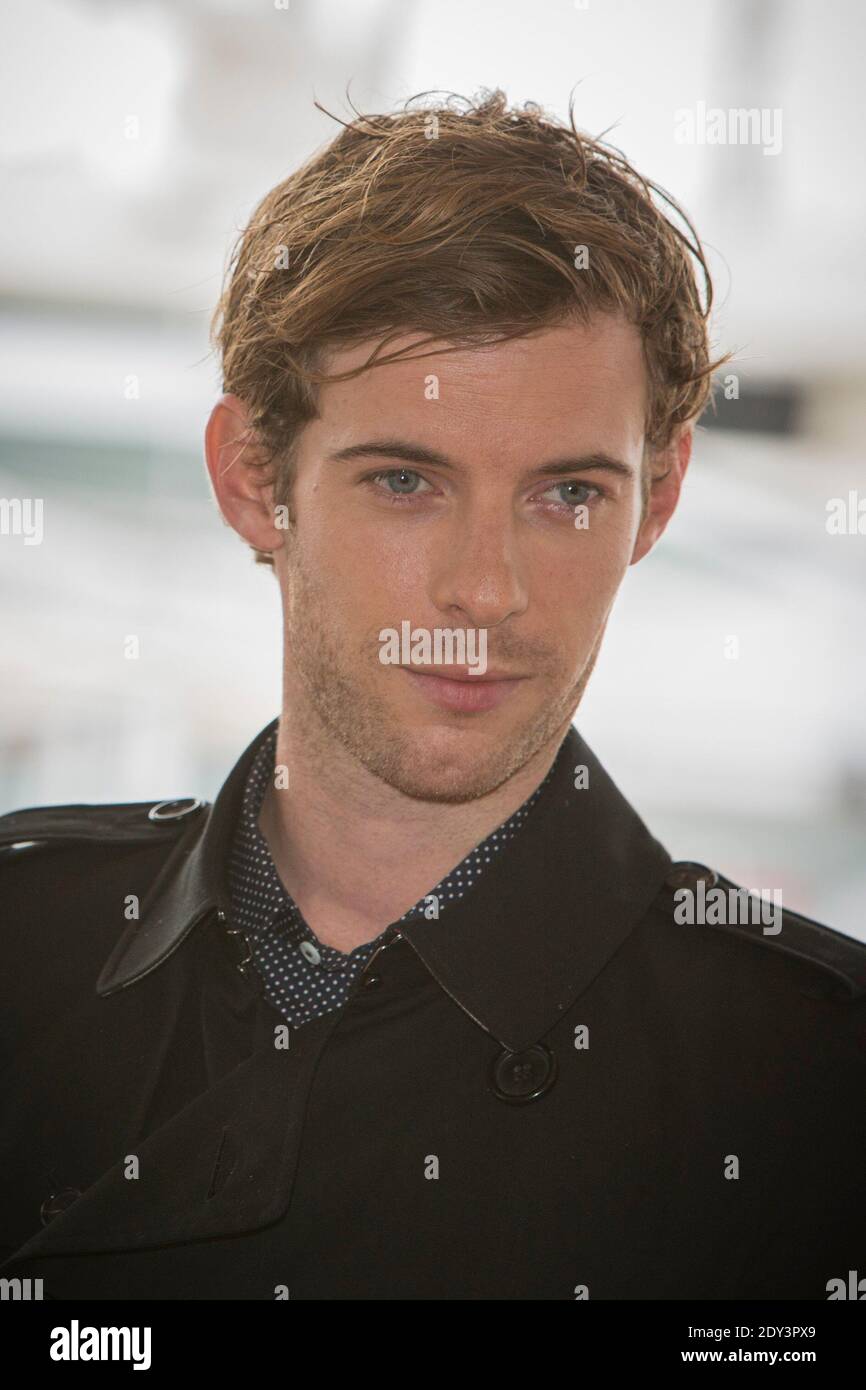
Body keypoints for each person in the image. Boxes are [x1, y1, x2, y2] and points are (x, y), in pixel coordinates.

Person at [1, 90, 864, 1302]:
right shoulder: (19, 945)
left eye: (566, 495)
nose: (484, 590)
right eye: (405, 480)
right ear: (256, 480)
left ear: (654, 503)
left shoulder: (817, 1079)